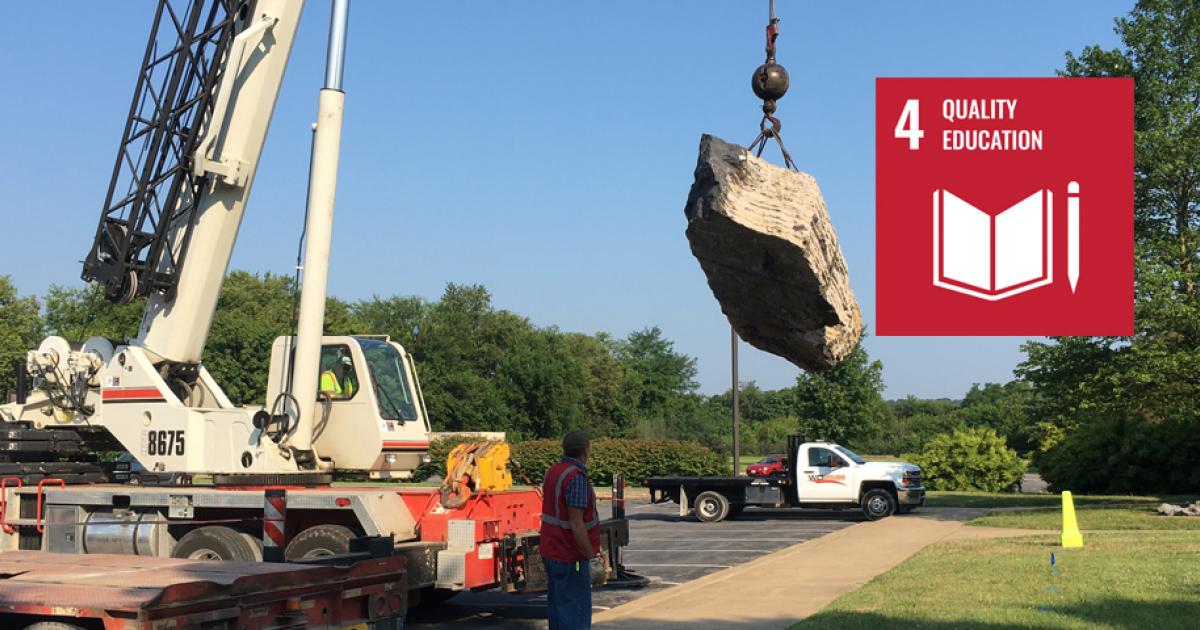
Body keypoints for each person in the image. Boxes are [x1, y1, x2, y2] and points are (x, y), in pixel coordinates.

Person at [540, 430, 603, 629]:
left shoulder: (553, 471)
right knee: (575, 614)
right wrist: (592, 557)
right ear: (585, 451)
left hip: (552, 551)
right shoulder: (576, 477)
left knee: (559, 610)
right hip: (571, 558)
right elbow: (576, 523)